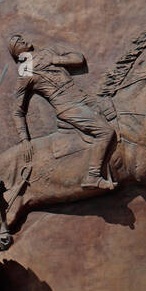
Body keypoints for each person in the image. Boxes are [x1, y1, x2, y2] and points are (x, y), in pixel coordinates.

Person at [8, 33, 116, 192]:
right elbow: (17, 111)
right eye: (17, 41)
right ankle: (92, 176)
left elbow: (78, 58)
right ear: (16, 52)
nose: (21, 39)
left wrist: (55, 60)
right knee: (105, 132)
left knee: (117, 112)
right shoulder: (25, 73)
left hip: (85, 98)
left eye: (20, 37)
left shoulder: (47, 53)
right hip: (69, 107)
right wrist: (25, 140)